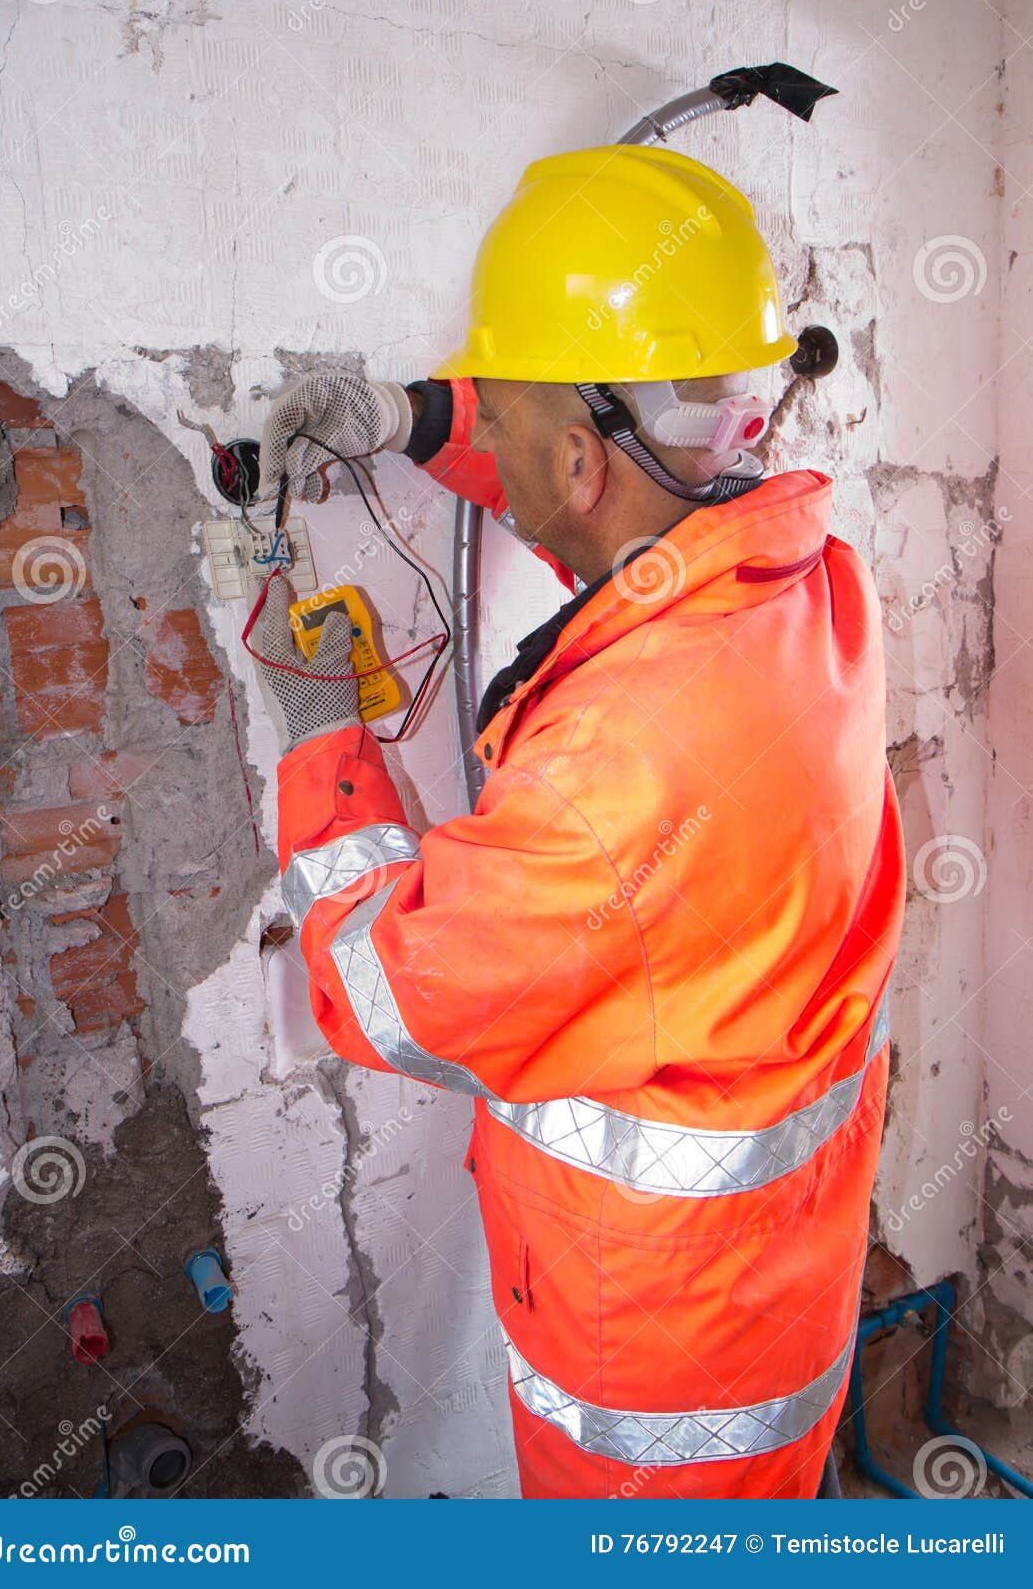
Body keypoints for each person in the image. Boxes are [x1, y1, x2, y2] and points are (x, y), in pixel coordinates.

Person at [250, 143, 906, 1499]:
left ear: (573, 454)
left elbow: (381, 995)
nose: (484, 435)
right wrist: (415, 420)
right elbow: (616, 532)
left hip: (658, 1373)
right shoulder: (806, 585)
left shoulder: (608, 777)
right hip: (780, 1282)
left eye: (502, 419)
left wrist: (319, 732)